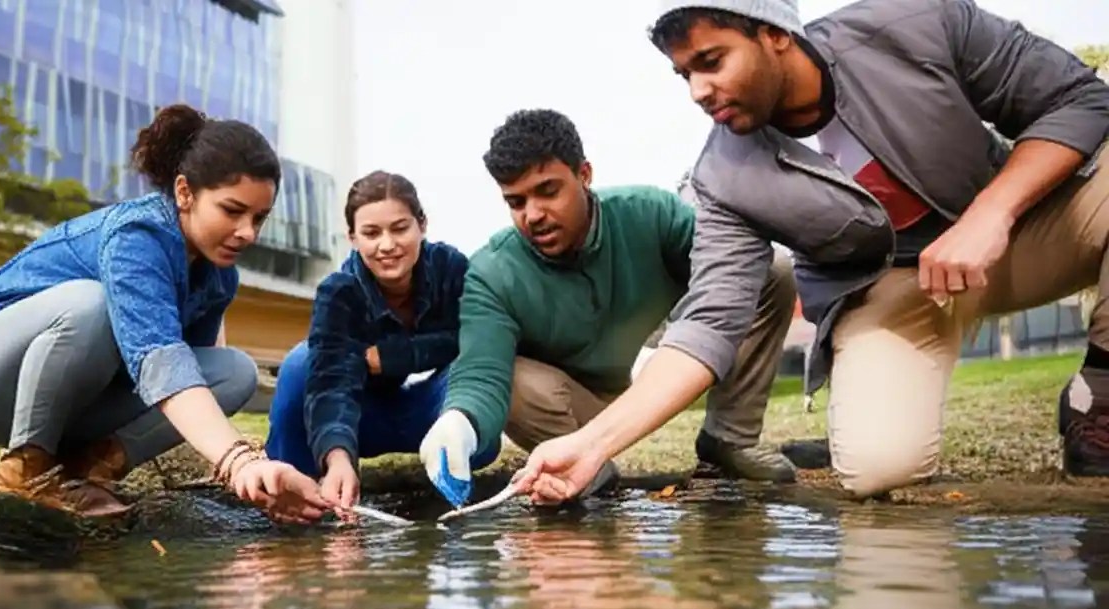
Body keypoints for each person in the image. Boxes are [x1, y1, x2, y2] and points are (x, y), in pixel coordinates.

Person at [513, 0, 1109, 505]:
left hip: (1023, 232)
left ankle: (1098, 391)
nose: (698, 91)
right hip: (894, 291)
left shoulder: (916, 21)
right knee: (876, 466)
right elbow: (709, 325)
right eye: (683, 74)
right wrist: (590, 445)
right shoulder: (723, 175)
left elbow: (1082, 99)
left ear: (775, 35)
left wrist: (991, 212)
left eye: (711, 62)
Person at [0, 103, 331, 525]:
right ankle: (23, 476)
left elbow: (183, 383)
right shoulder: (138, 235)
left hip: (64, 399)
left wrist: (239, 460)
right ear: (185, 193)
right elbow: (159, 361)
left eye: (259, 218)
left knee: (234, 371)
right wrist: (237, 461)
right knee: (90, 304)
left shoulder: (219, 277)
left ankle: (85, 472)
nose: (248, 233)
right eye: (232, 210)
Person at [418, 108, 799, 508]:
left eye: (548, 191)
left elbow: (733, 264)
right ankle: (588, 472)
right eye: (516, 201)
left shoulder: (650, 215)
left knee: (770, 271)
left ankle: (729, 438)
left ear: (585, 175)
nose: (532, 215)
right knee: (512, 377)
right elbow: (481, 369)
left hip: (650, 380)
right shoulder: (492, 273)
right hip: (562, 408)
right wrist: (460, 420)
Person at [264, 171, 500, 507]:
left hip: (433, 414)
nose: (387, 245)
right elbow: (332, 383)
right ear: (353, 237)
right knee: (301, 364)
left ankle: (453, 467)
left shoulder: (451, 268)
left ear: (422, 225)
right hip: (361, 420)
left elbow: (480, 338)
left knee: (477, 361)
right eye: (371, 233)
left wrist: (397, 356)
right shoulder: (339, 292)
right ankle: (301, 489)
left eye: (400, 228)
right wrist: (338, 457)